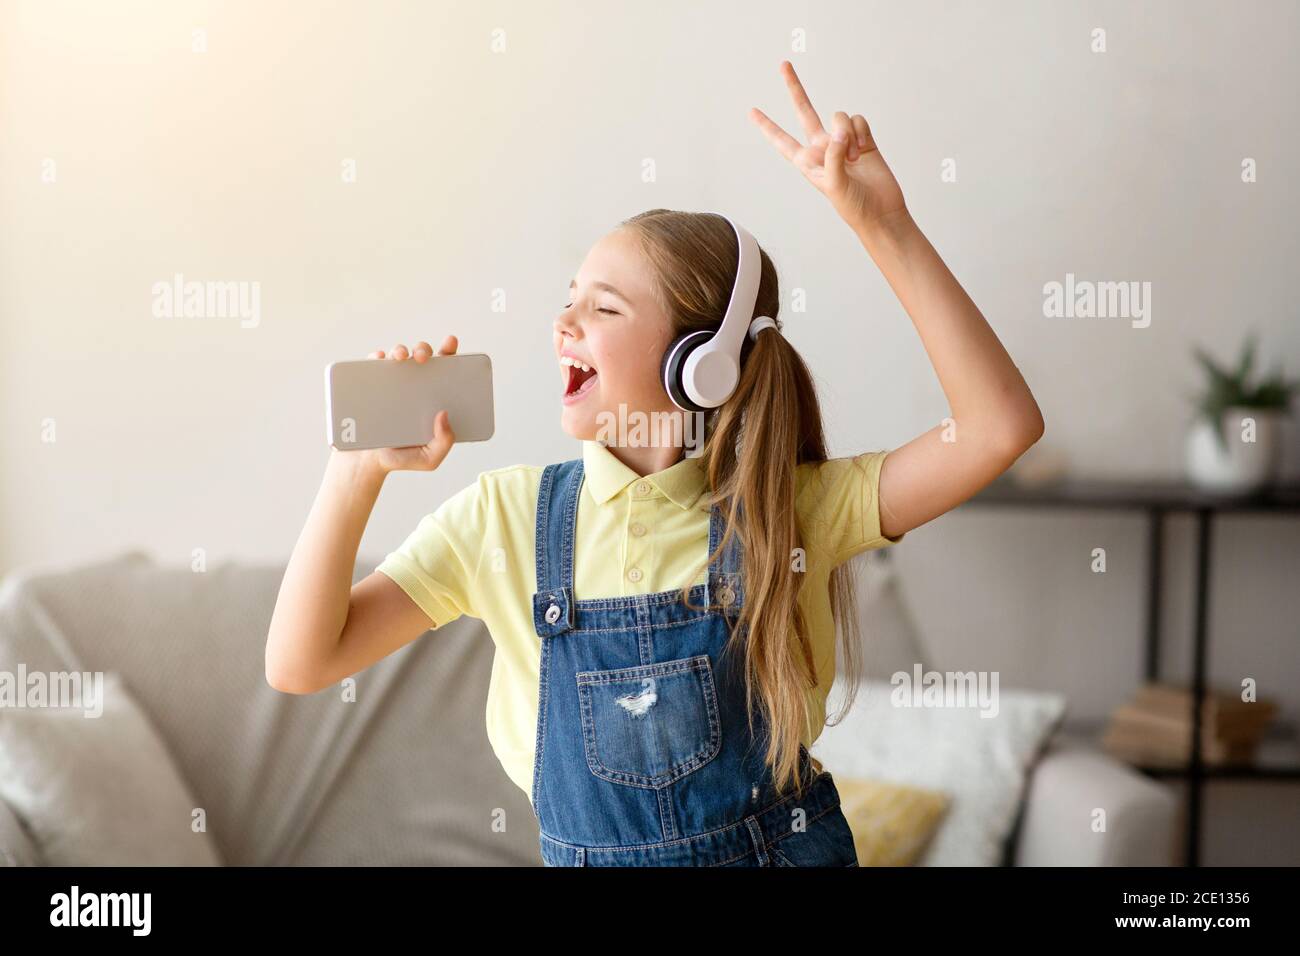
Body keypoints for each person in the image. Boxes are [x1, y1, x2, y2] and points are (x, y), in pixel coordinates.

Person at [265, 61, 1044, 867]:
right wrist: (354, 474)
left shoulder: (790, 510)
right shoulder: (500, 519)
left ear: (698, 363)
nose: (564, 320)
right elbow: (300, 663)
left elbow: (997, 427)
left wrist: (886, 226)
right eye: (569, 297)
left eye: (603, 307)